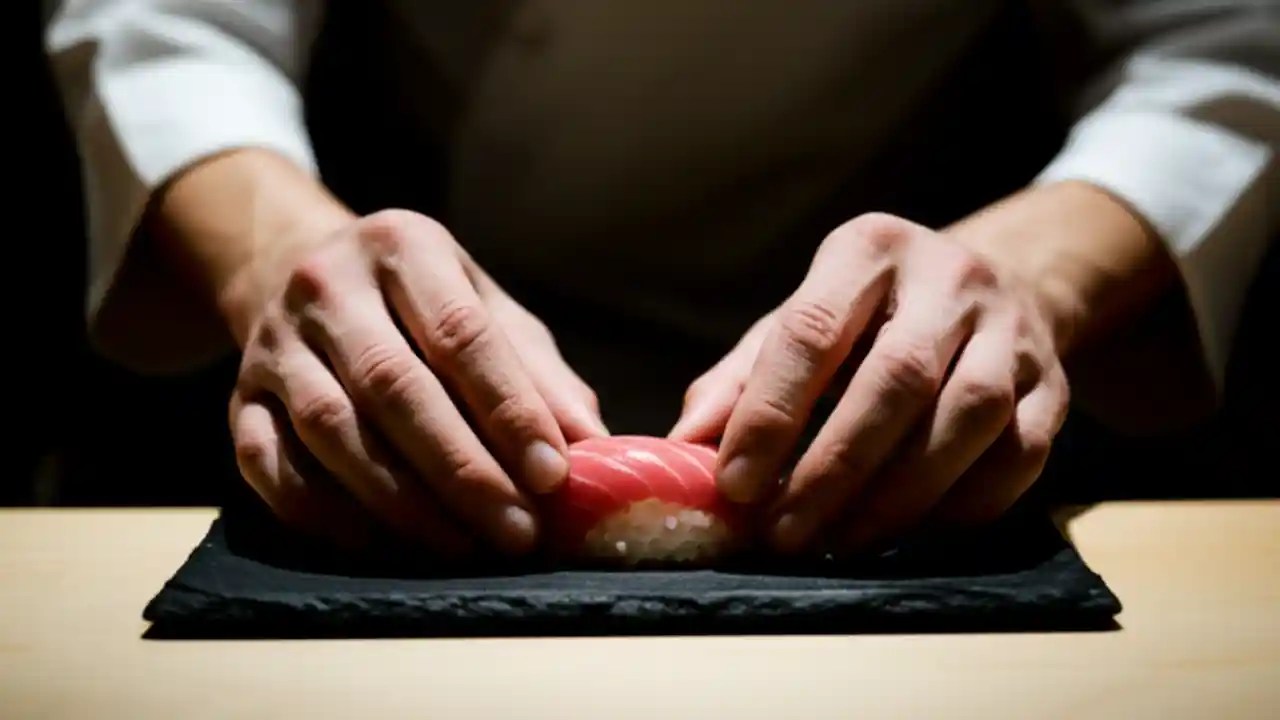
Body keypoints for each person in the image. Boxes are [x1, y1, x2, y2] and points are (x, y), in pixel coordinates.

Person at [44, 1, 1278, 558]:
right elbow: (171, 21)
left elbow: (1216, 48)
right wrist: (278, 254)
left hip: (889, 373)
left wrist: (1023, 277)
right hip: (391, 334)